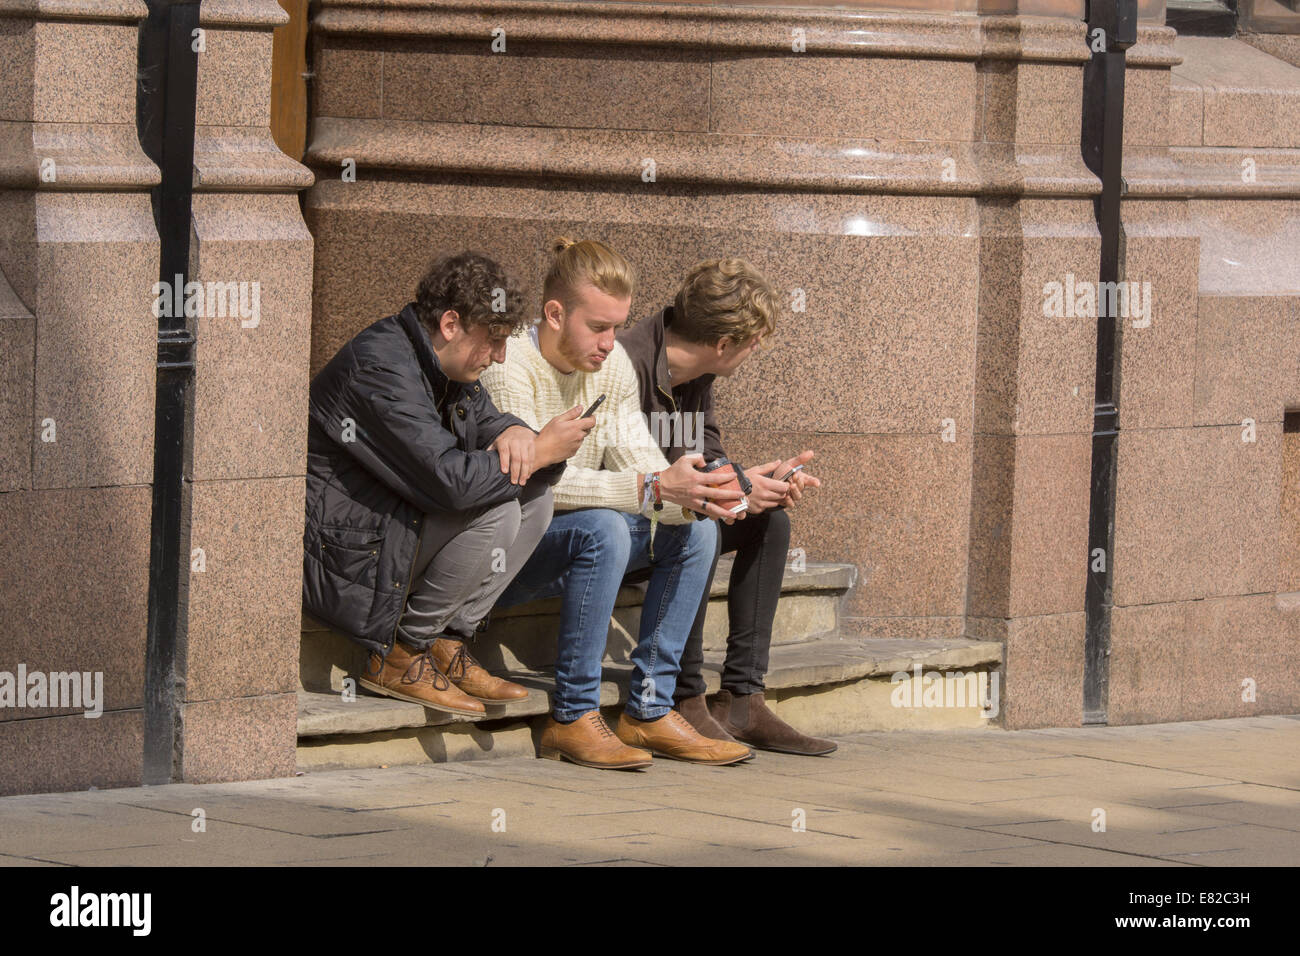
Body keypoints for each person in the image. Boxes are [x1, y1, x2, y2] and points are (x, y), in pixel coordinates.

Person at [481, 238, 752, 770]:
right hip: (501, 555)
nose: (611, 342)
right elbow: (529, 484)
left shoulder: (611, 368)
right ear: (555, 313)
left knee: (697, 531)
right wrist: (649, 489)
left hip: (572, 544)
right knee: (602, 528)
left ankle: (649, 708)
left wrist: (698, 493)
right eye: (599, 327)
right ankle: (573, 717)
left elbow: (640, 461)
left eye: (617, 326)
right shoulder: (508, 363)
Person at [302, 251, 590, 718]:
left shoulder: (445, 363)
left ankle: (445, 641)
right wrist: (538, 450)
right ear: (451, 324)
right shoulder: (381, 367)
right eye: (493, 340)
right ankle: (401, 652)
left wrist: (516, 432)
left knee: (536, 497)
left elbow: (488, 423)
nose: (499, 356)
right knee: (498, 508)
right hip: (338, 548)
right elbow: (447, 482)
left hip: (389, 527)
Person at [618, 257, 836, 755]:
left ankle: (742, 697)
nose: (755, 349)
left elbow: (703, 451)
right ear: (723, 344)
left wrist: (755, 484)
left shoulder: (694, 375)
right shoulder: (625, 364)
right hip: (623, 520)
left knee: (769, 523)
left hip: (671, 511)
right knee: (704, 522)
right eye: (753, 340)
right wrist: (735, 488)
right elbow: (646, 465)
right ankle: (684, 694)